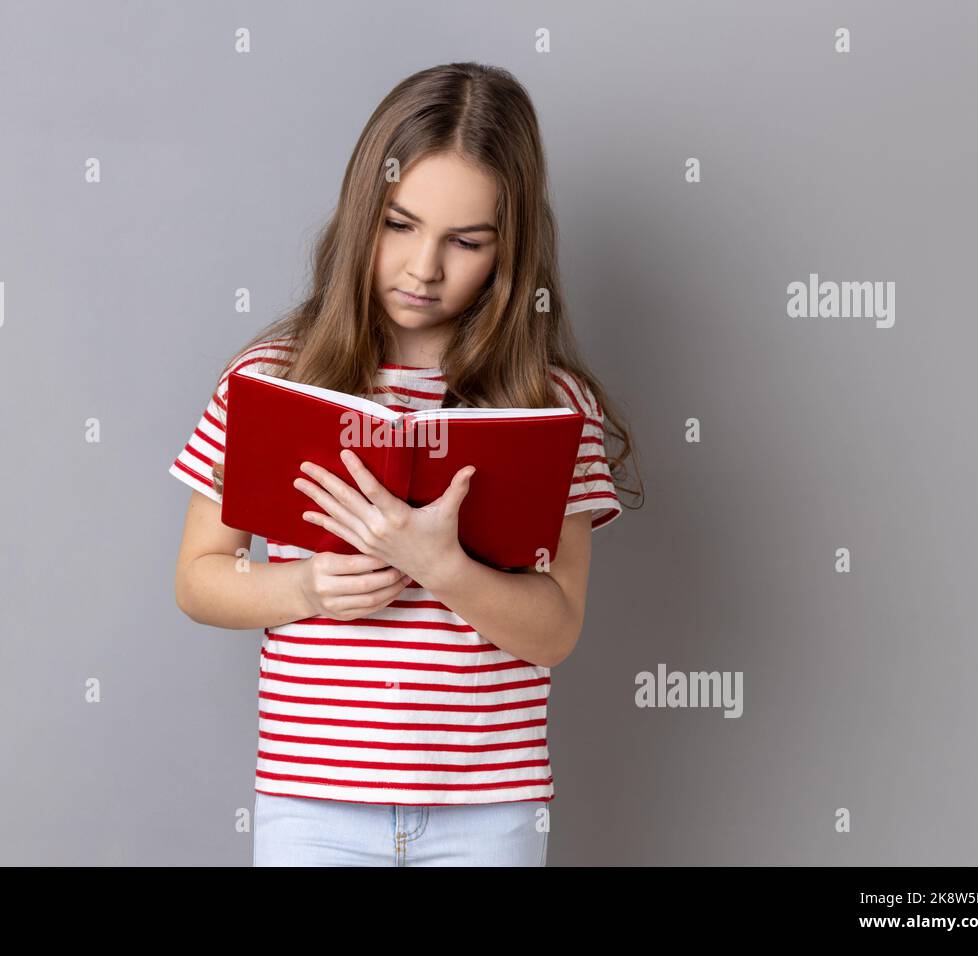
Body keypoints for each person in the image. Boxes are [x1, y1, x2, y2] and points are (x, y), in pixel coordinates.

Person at [169, 62, 641, 866]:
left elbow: (556, 629)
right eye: (399, 224)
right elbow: (200, 576)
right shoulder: (273, 379)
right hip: (311, 802)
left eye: (465, 242)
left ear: (510, 248)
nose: (425, 267)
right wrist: (305, 587)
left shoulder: (551, 406)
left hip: (488, 809)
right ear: (362, 214)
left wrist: (441, 567)